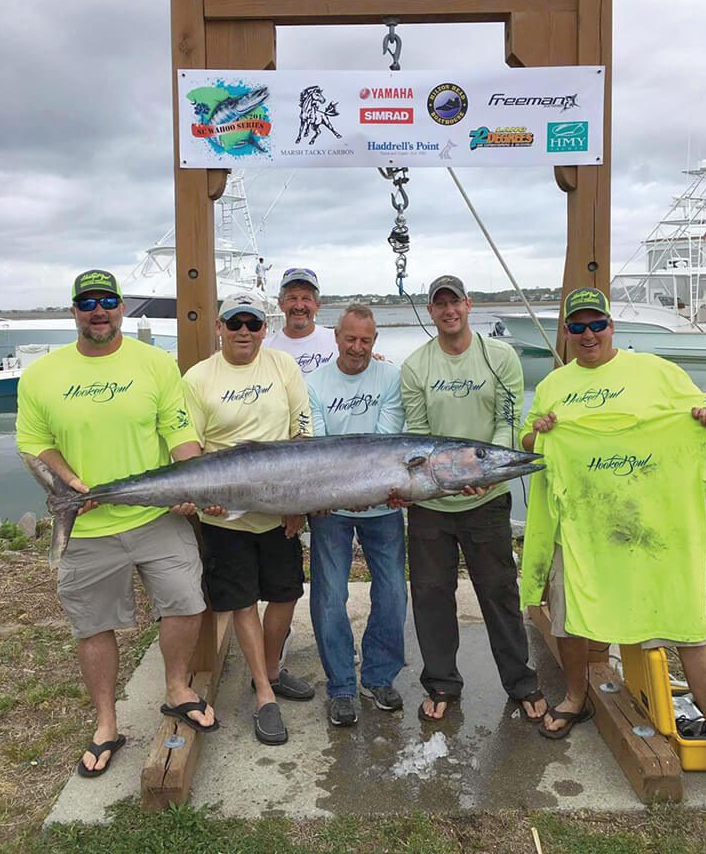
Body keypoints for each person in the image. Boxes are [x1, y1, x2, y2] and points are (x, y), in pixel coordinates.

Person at [519, 287, 706, 806]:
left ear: (613, 327)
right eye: (578, 327)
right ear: (567, 334)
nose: (589, 335)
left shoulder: (658, 373)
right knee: (572, 619)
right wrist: (540, 432)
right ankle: (576, 696)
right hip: (584, 530)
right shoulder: (553, 385)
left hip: (653, 534)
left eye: (597, 325)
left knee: (689, 632)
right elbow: (529, 443)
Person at [16, 269, 217, 778]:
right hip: (86, 527)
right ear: (74, 311)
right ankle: (106, 723)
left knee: (186, 602)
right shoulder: (41, 375)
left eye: (107, 300)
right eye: (88, 302)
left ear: (122, 307)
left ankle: (176, 688)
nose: (98, 310)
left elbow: (178, 430)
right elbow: (34, 442)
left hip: (156, 516)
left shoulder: (154, 364)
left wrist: (192, 482)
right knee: (93, 626)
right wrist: (67, 483)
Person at [400, 275, 546, 723]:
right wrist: (444, 479)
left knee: (499, 591)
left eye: (455, 302)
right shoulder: (416, 366)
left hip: (487, 497)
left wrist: (483, 474)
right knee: (430, 594)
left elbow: (506, 421)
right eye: (439, 304)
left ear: (469, 305)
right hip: (431, 504)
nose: (448, 311)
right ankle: (442, 682)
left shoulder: (499, 355)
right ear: (431, 312)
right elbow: (417, 434)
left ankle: (521, 681)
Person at [183, 291, 314, 746]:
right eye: (234, 323)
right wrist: (203, 498)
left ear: (264, 328)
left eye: (253, 324)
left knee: (285, 594)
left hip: (279, 510)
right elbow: (191, 448)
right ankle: (263, 693)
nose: (243, 331)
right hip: (226, 517)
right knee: (241, 602)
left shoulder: (284, 367)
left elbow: (303, 432)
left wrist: (296, 501)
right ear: (219, 326)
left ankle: (273, 668)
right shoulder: (198, 378)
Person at [307, 305, 407, 727]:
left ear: (375, 340)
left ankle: (380, 676)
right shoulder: (314, 383)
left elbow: (384, 442)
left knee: (394, 592)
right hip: (330, 506)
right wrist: (344, 488)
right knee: (330, 596)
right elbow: (318, 447)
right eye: (350, 338)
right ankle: (342, 685)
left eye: (366, 340)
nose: (357, 347)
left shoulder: (391, 378)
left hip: (383, 506)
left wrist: (367, 487)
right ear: (336, 337)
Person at [264, 267, 337, 374]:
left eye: (306, 298)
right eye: (292, 298)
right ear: (281, 304)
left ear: (317, 304)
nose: (299, 306)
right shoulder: (265, 349)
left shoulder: (338, 343)